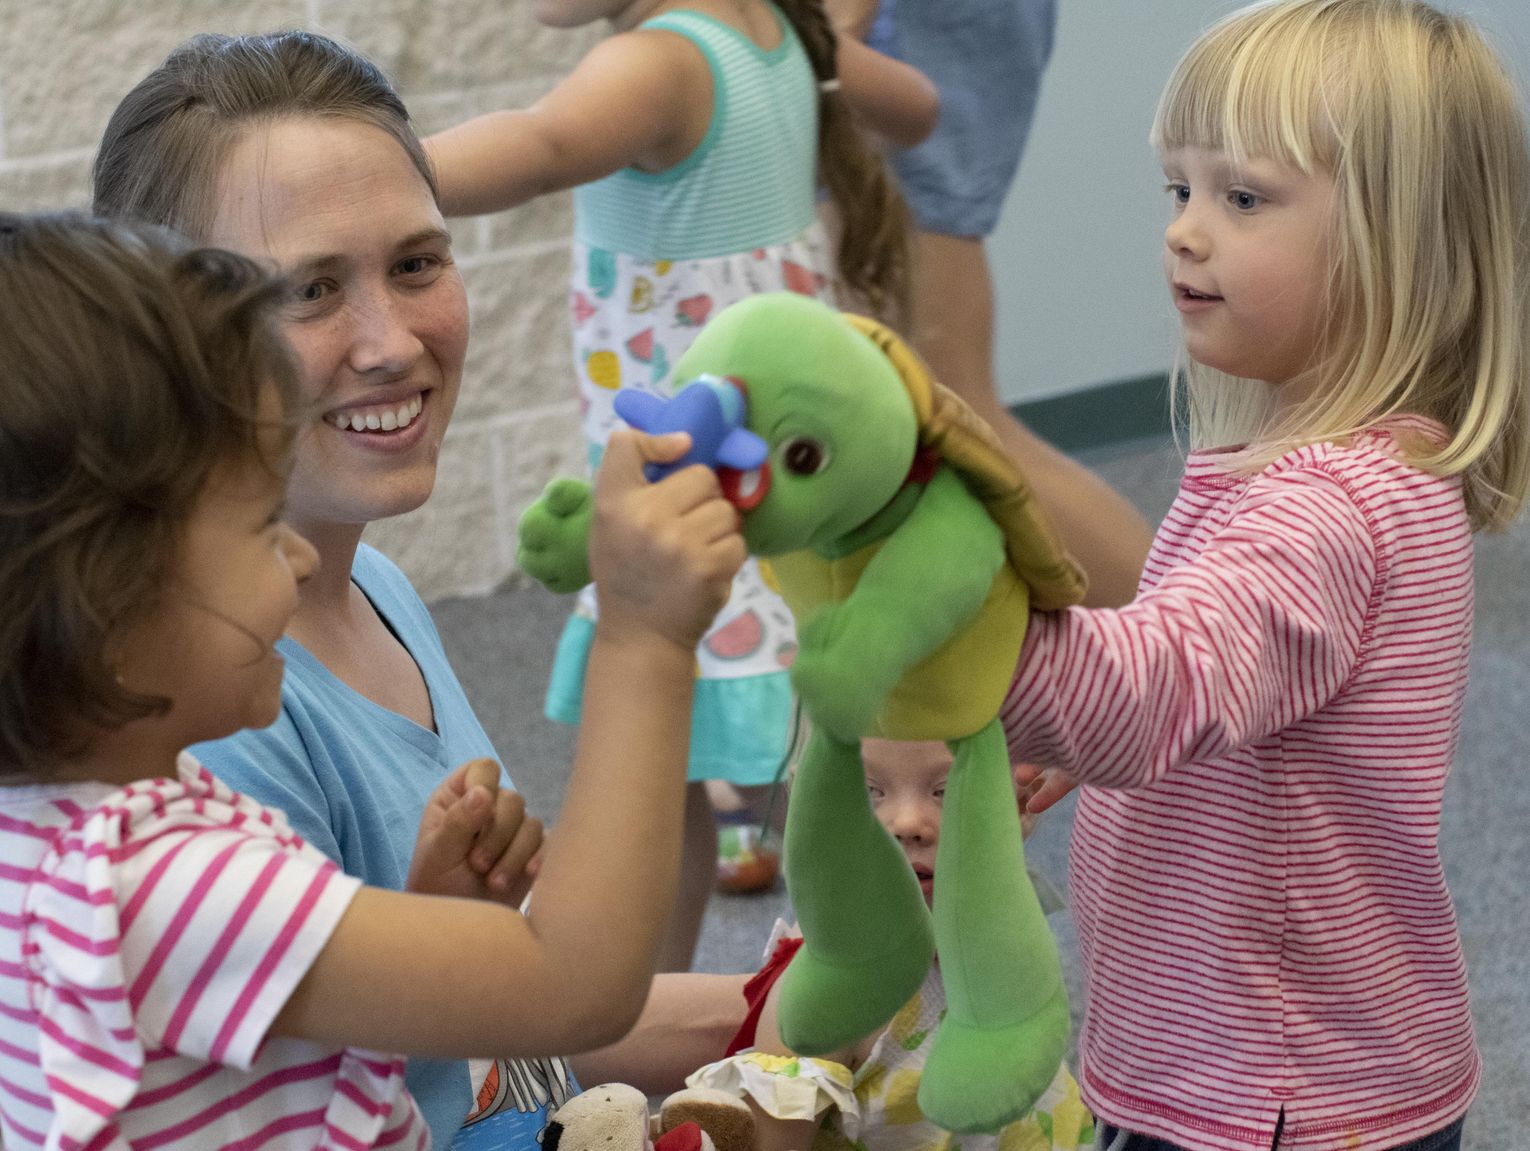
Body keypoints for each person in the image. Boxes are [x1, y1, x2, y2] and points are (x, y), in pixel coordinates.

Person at [89, 30, 749, 1146]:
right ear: (161, 344)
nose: (390, 341)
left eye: (415, 263)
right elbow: (554, 986)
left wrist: (787, 1002)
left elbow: (482, 1027)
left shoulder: (377, 583)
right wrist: (645, 634)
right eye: (308, 288)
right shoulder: (201, 719)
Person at [998, 2, 1530, 1148]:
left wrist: (958, 622)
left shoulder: (1328, 508)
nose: (1185, 232)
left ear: (1401, 238)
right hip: (1254, 1051)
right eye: (1178, 191)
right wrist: (1073, 733)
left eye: (1241, 197)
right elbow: (1223, 695)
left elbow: (1150, 692)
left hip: (1270, 1087)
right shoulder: (1323, 474)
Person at [424, 0, 937, 970]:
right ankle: (671, 1000)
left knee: (692, 772)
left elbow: (536, 147)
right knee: (746, 763)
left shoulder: (656, 64)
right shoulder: (775, 30)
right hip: (782, 497)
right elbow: (919, 108)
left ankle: (684, 996)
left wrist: (353, 176)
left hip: (701, 506)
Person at [827, 0, 1156, 611]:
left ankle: (1190, 655)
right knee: (920, 414)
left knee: (945, 413)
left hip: (888, 36)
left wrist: (834, 31)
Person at [683, 739, 1096, 1151]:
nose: (907, 822)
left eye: (947, 791)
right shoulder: (835, 986)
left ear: (1021, 805)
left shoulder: (1005, 925)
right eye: (866, 791)